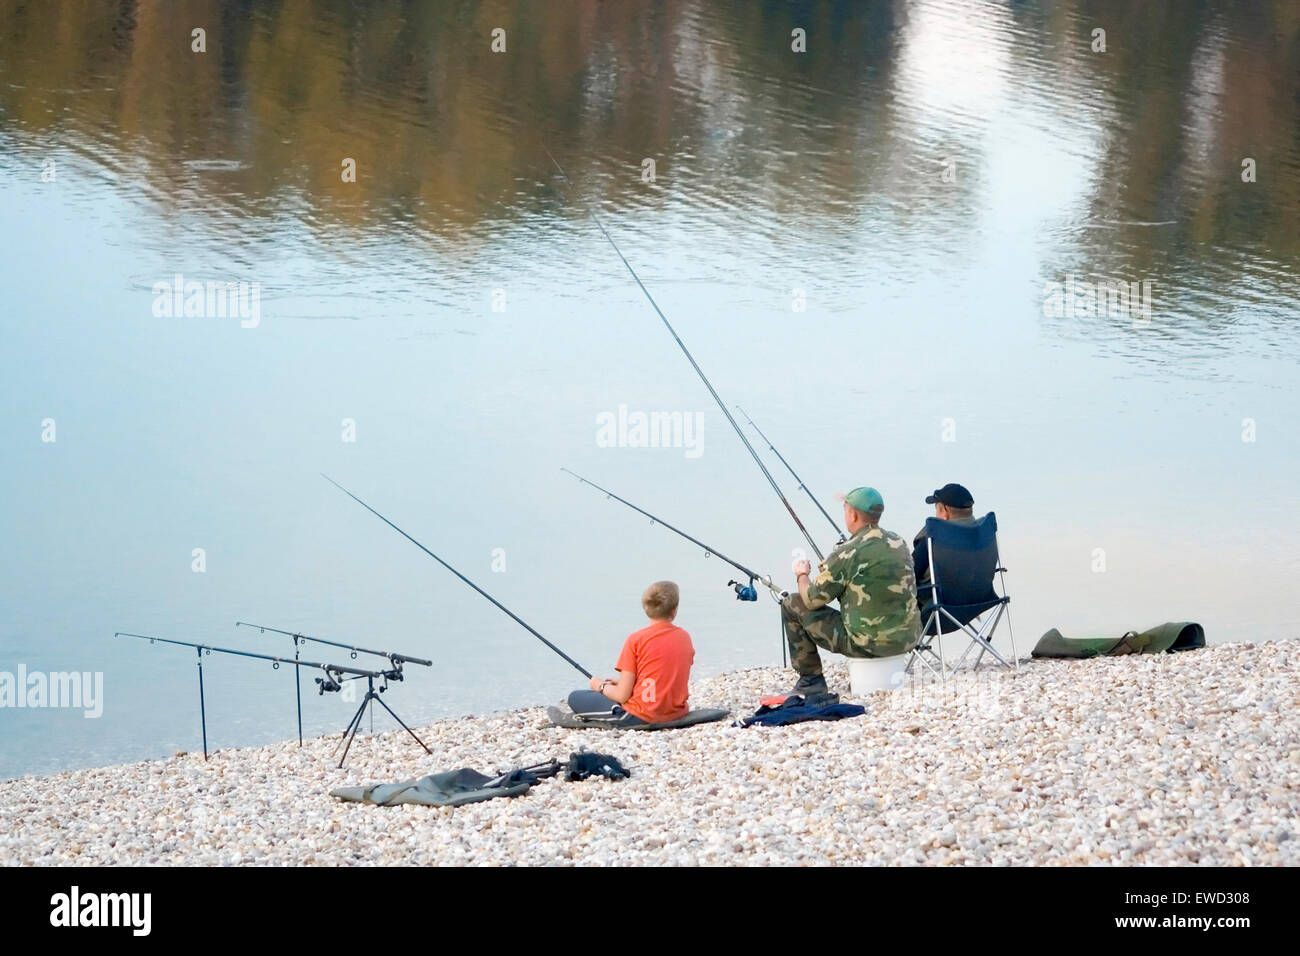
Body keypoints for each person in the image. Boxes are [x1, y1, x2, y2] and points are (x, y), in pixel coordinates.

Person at [784, 487, 920, 697]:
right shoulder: (899, 542)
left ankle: (810, 680)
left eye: (845, 509)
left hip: (866, 644)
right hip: (907, 638)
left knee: (791, 603)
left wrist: (802, 574)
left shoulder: (847, 551)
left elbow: (811, 599)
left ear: (853, 514)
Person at [566, 580, 695, 725]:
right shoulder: (685, 636)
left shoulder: (635, 640)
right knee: (610, 689)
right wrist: (624, 682)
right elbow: (663, 673)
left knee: (575, 697)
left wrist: (599, 686)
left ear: (645, 608)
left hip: (640, 716)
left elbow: (622, 696)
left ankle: (612, 710)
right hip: (677, 713)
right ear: (675, 610)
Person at [912, 483, 979, 599]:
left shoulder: (933, 537)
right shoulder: (982, 533)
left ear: (944, 511)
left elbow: (909, 573)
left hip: (937, 605)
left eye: (937, 509)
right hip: (975, 600)